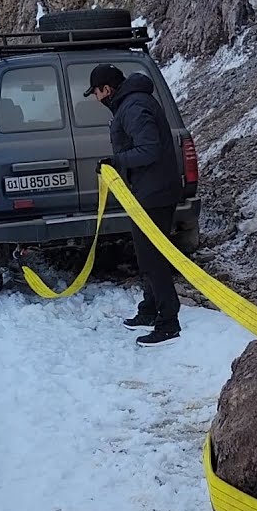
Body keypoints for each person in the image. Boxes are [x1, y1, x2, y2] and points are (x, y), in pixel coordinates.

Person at [84, 63, 184, 348]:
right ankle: (150, 309)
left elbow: (149, 148)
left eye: (96, 92)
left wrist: (116, 161)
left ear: (107, 89)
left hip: (155, 193)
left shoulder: (134, 106)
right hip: (146, 191)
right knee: (145, 256)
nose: (96, 99)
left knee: (154, 258)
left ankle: (168, 323)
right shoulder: (130, 103)